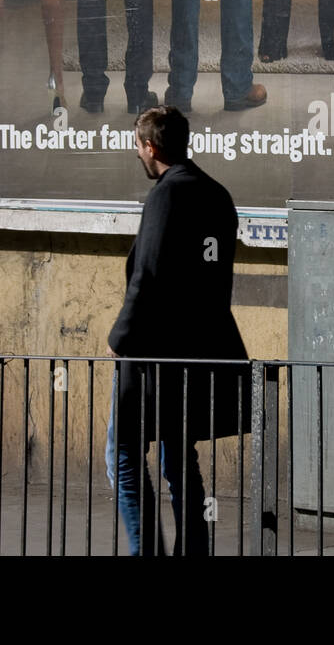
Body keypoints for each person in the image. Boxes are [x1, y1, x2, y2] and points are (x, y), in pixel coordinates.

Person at [105, 106, 250, 555]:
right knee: (179, 459)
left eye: (139, 147)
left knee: (124, 455)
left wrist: (119, 339)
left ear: (150, 147)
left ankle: (146, 550)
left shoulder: (166, 196)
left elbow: (146, 276)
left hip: (153, 355)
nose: (140, 156)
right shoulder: (218, 194)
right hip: (199, 352)